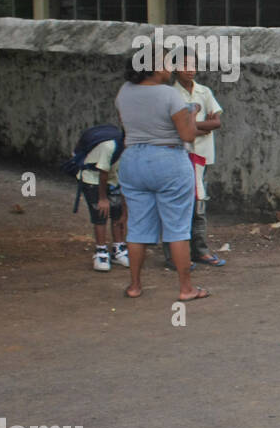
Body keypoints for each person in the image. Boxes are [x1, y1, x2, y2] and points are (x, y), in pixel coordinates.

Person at [115, 58, 208, 302]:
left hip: (132, 159)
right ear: (155, 68)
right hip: (168, 160)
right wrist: (193, 113)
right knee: (177, 228)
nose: (171, 68)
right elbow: (187, 135)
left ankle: (134, 285)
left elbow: (126, 126)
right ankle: (186, 288)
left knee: (137, 227)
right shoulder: (169, 95)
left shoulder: (124, 91)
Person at [165, 55, 225, 269]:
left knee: (199, 204)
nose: (190, 70)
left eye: (193, 66)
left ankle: (199, 250)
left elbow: (217, 122)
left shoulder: (204, 92)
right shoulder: (171, 94)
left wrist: (192, 126)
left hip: (202, 157)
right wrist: (202, 126)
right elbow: (176, 128)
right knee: (177, 204)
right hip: (180, 155)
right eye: (184, 66)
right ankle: (174, 254)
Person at [78, 131, 129, 272]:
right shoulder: (109, 147)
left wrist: (124, 208)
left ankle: (118, 247)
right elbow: (103, 173)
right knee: (100, 213)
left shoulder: (130, 149)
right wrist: (102, 198)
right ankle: (101, 251)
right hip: (93, 179)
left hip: (113, 180)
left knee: (117, 213)